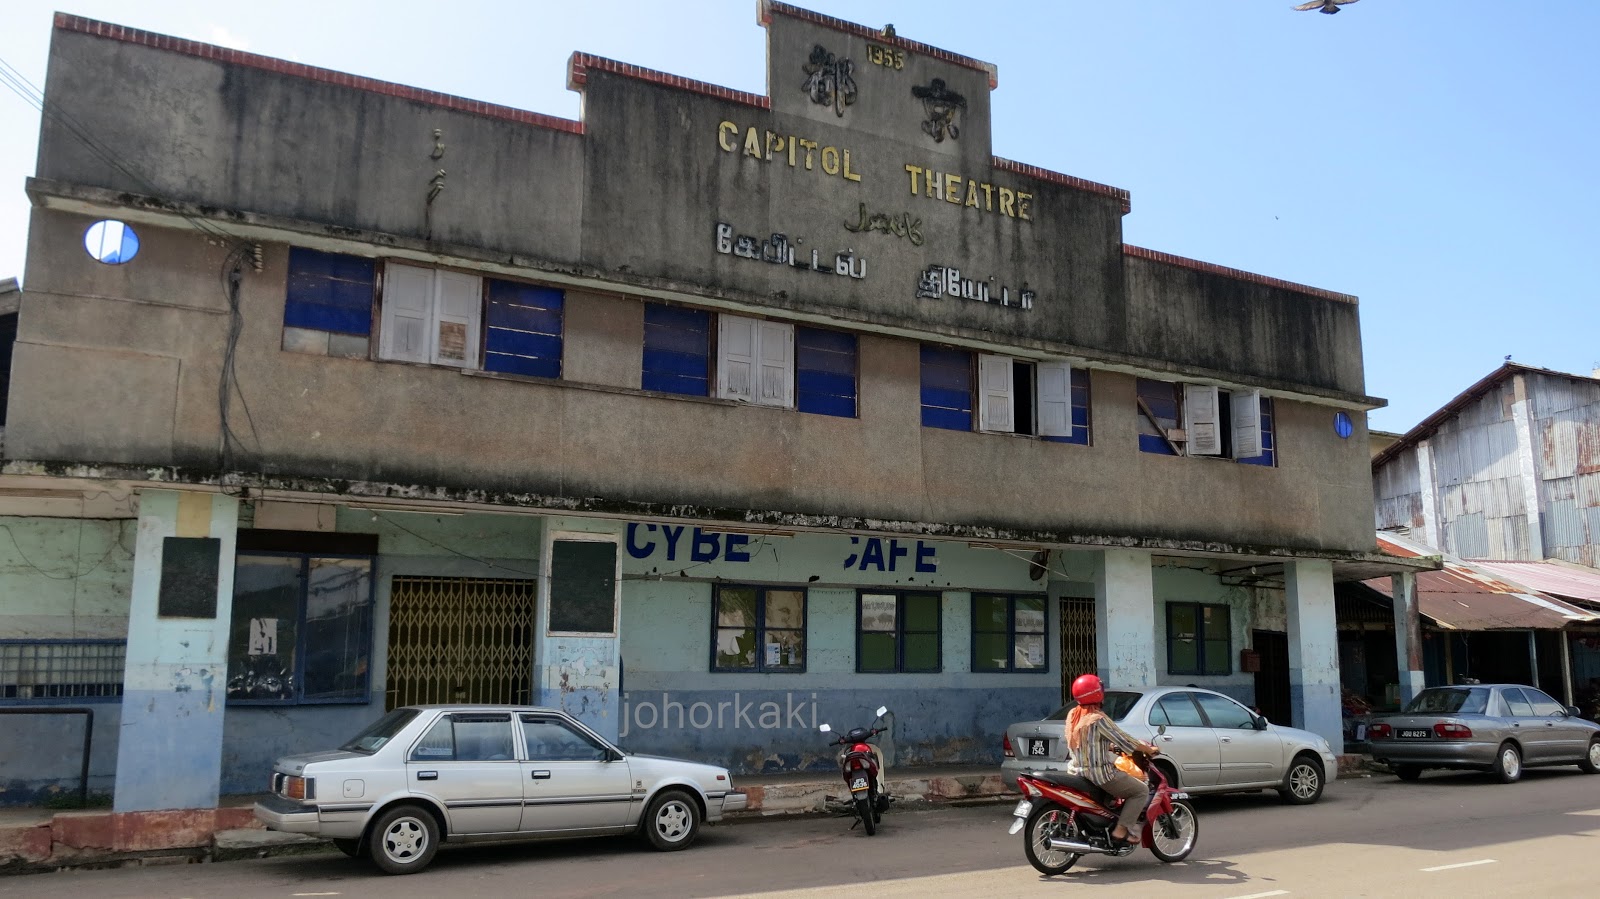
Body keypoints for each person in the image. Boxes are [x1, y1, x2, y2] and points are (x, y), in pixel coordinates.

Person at [1065, 673, 1160, 846]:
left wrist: (1106, 746)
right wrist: (1148, 749)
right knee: (1140, 791)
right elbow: (1124, 739)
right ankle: (1121, 830)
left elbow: (1084, 741)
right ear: (1097, 694)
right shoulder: (1098, 719)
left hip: (1076, 770)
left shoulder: (1073, 714)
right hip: (1099, 774)